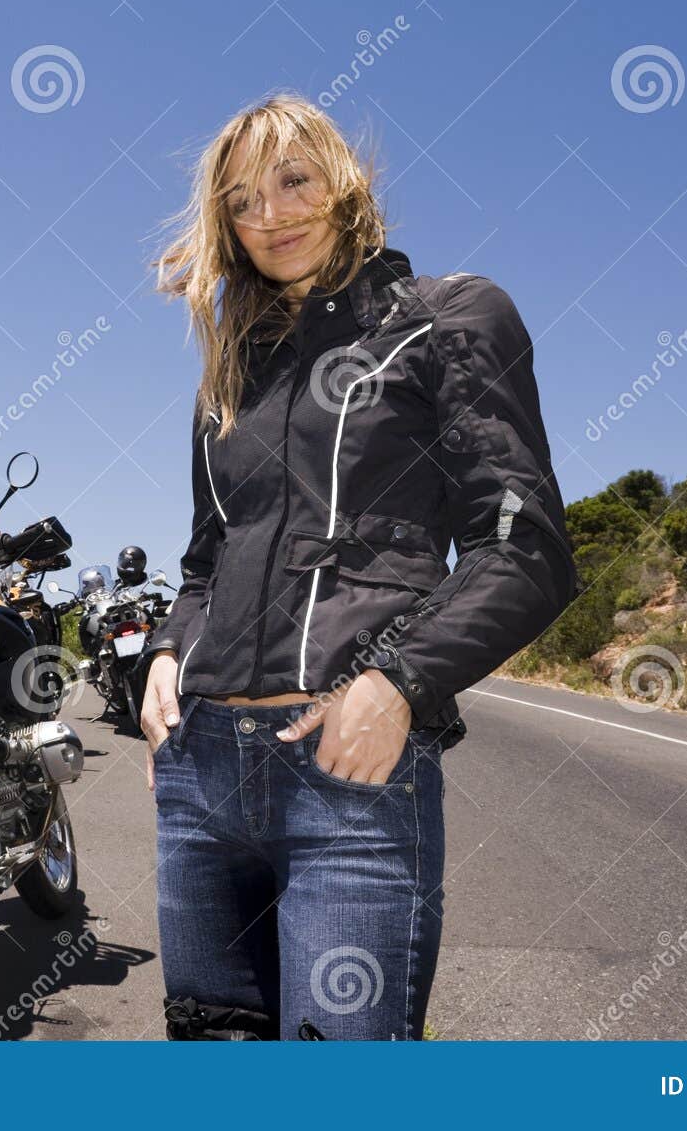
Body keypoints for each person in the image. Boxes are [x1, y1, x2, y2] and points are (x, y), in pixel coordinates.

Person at [138, 93, 578, 1040]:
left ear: (347, 183)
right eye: (241, 201)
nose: (270, 214)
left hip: (348, 780)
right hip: (201, 778)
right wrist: (168, 654)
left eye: (293, 180)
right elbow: (206, 559)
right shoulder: (229, 375)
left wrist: (397, 683)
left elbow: (524, 546)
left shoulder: (450, 318)